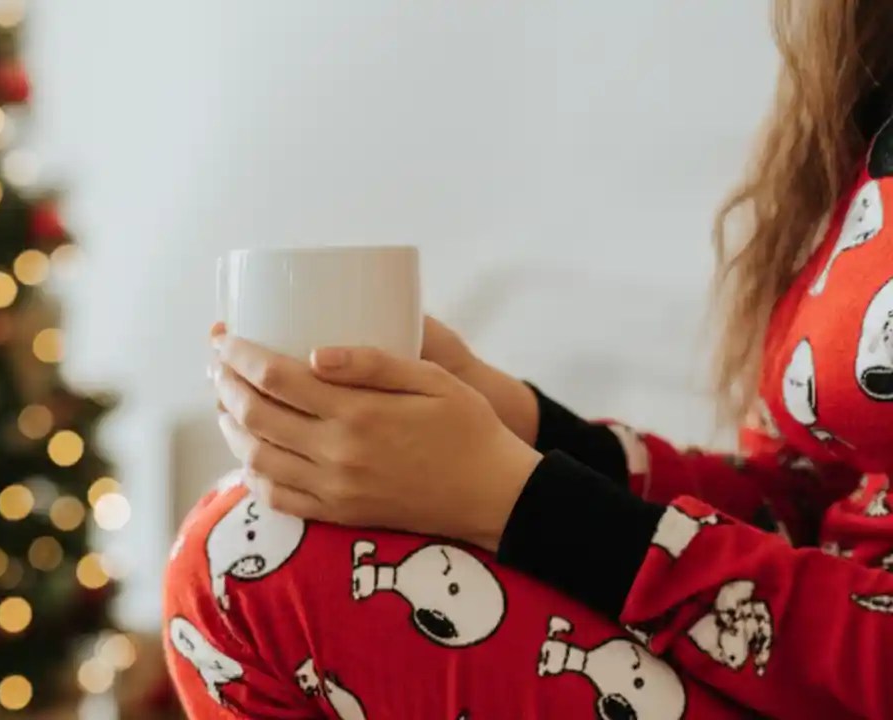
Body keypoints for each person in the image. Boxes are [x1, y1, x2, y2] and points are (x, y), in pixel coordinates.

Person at [164, 2, 893, 718]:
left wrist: (523, 503)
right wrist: (527, 425)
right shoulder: (865, 112)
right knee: (239, 553)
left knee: (241, 569)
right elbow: (800, 503)